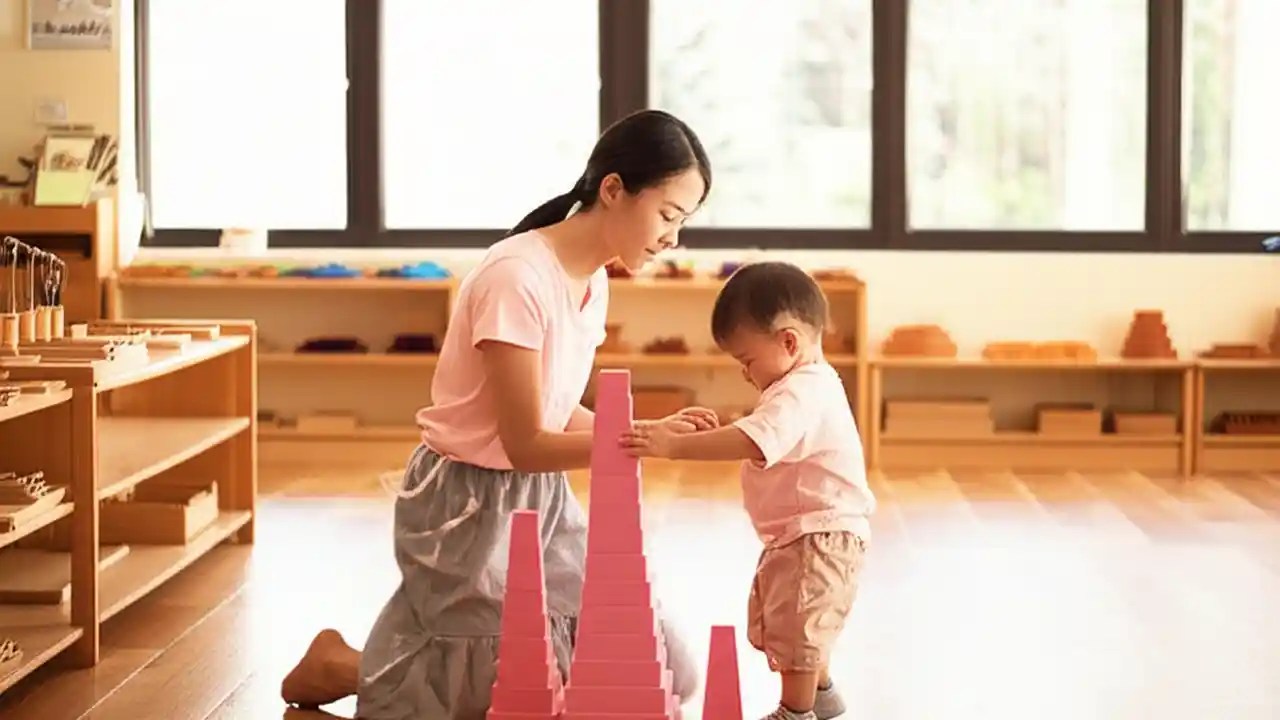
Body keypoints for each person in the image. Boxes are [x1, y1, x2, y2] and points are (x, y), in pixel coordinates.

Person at [280, 109, 714, 719]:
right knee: (507, 690)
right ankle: (338, 666)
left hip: (541, 497)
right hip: (468, 503)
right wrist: (638, 442)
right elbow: (525, 442)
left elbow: (557, 412)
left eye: (683, 222)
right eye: (669, 216)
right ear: (613, 190)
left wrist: (650, 433)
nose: (673, 238)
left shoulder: (592, 281)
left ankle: (377, 667)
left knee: (656, 664)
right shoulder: (517, 277)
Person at [620, 262, 876, 720]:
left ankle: (795, 711)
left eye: (747, 361)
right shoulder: (804, 384)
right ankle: (822, 698)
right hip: (806, 532)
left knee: (799, 626)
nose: (744, 373)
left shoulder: (802, 391)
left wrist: (674, 445)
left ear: (789, 342)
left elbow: (753, 439)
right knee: (797, 620)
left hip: (817, 534)